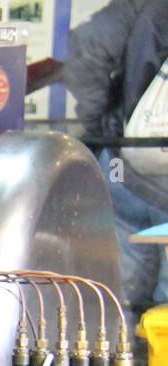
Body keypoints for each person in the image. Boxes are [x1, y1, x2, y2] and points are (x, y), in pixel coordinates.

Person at [66, 0, 168, 312]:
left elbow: (86, 46)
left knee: (118, 297)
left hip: (123, 171)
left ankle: (124, 352)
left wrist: (102, 125)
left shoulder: (143, 7)